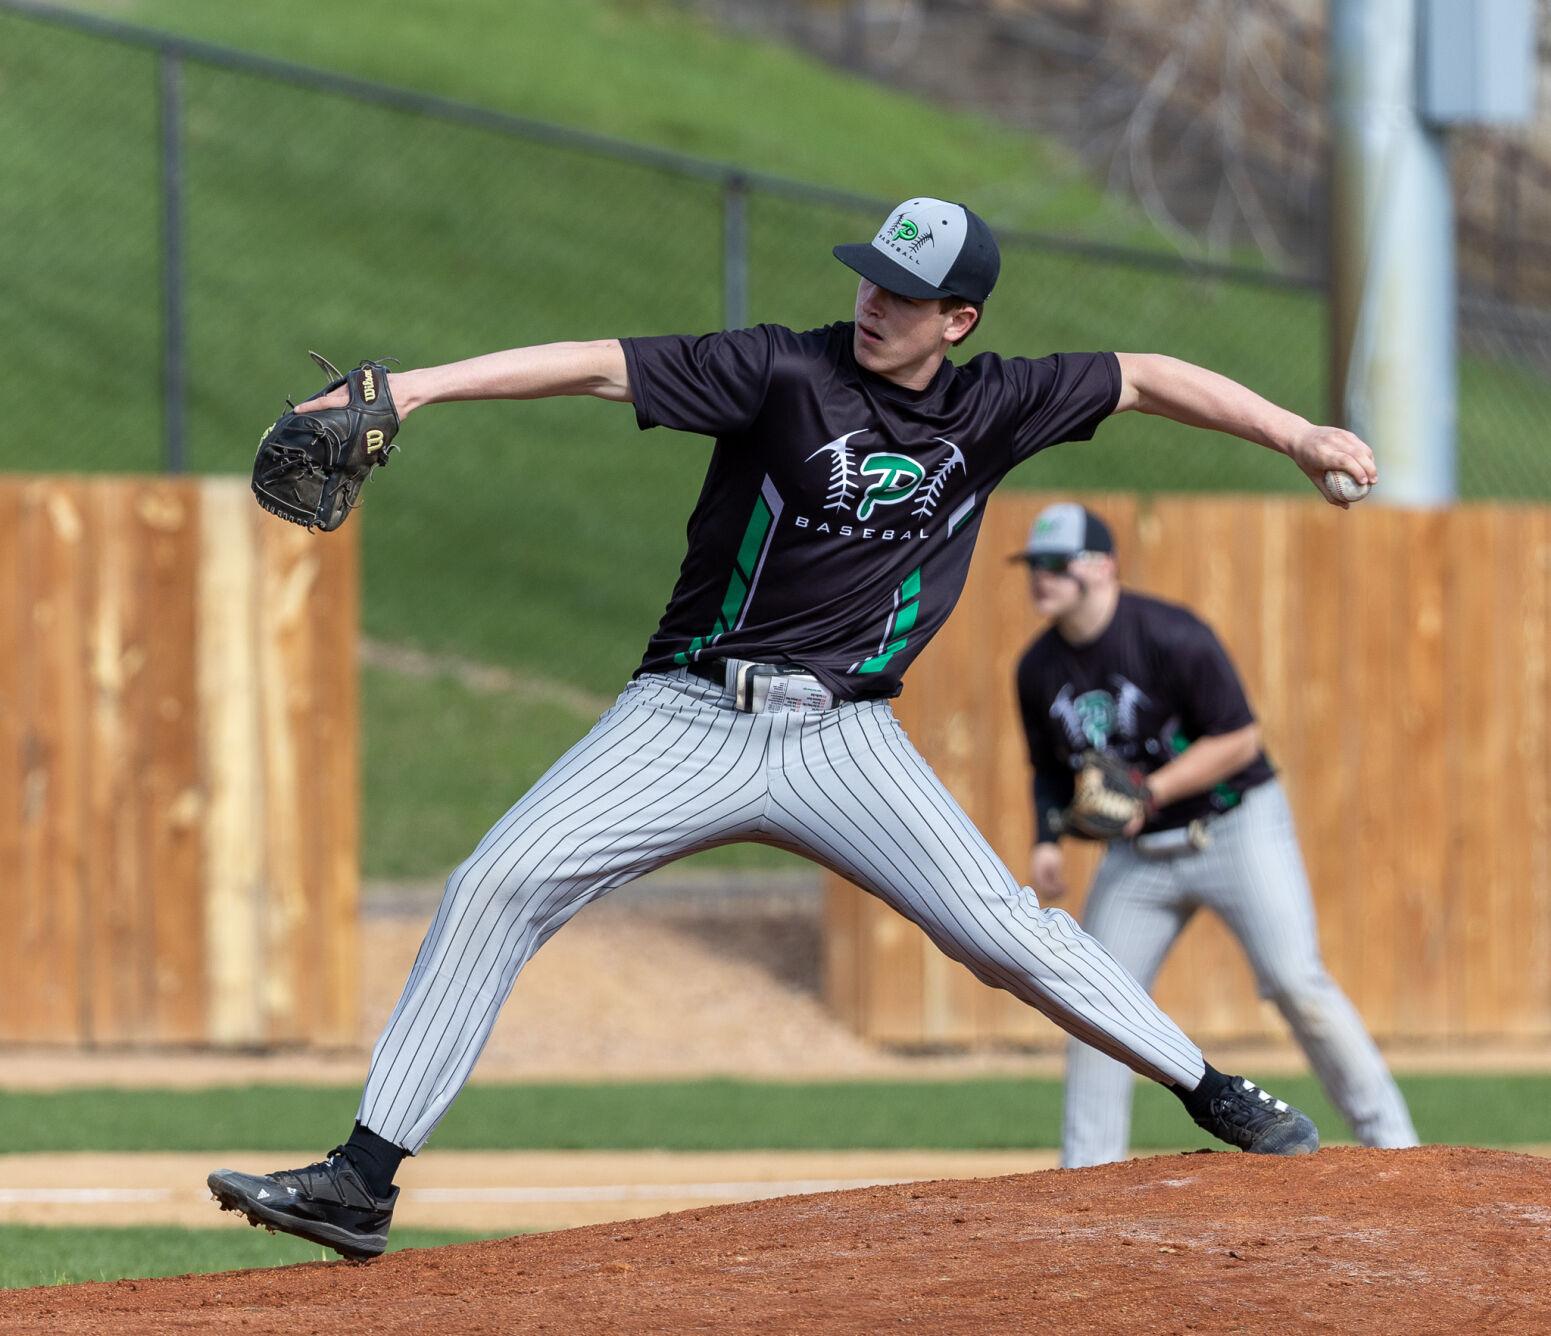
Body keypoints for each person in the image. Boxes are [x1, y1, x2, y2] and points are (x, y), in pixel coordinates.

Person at [209, 196, 1375, 1260]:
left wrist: (1298, 437)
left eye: (906, 294)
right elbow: (598, 369)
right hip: (690, 711)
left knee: (1005, 937)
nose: (875, 302)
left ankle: (1217, 1091)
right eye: (871, 278)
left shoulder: (997, 404)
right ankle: (362, 1181)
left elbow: (1150, 376)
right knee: (494, 886)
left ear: (958, 319)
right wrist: (416, 386)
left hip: (846, 740)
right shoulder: (777, 371)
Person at [1012, 502, 1419, 1169]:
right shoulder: (1036, 670)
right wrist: (1046, 841)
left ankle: (1396, 1148)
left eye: (1057, 565)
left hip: (1232, 826)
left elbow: (1238, 739)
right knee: (1093, 1005)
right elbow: (1048, 771)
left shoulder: (1170, 635)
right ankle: (1083, 1178)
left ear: (1103, 566)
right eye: (1034, 565)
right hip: (1138, 858)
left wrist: (1150, 791)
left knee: (1295, 981)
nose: (1041, 578)